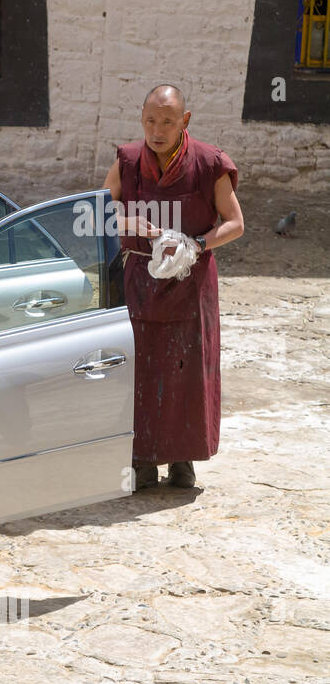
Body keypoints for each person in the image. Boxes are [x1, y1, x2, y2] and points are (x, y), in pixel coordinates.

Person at [101, 84, 245, 491]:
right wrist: (128, 224)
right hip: (141, 280)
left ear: (185, 121)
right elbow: (98, 210)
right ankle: (142, 461)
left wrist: (196, 244)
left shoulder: (208, 162)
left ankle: (184, 461)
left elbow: (235, 222)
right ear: (141, 119)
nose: (157, 130)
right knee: (140, 370)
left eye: (167, 122)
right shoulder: (128, 160)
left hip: (191, 280)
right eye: (150, 121)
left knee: (188, 370)